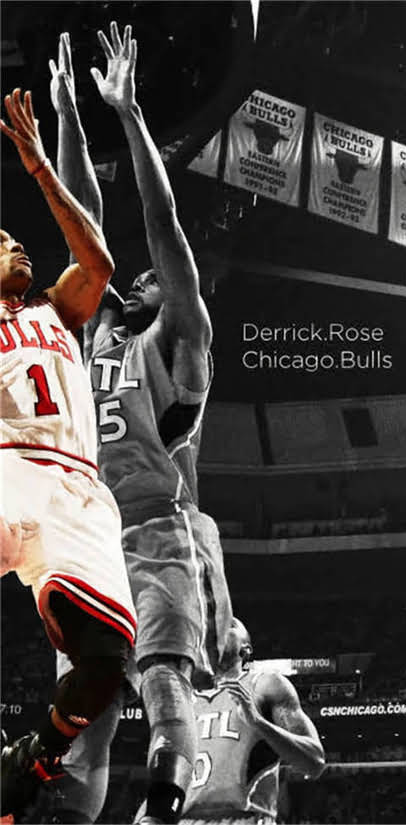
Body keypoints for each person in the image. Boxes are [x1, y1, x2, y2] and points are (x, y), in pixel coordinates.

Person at [45, 24, 233, 825]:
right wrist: (70, 116)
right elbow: (83, 226)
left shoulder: (181, 338)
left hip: (155, 532)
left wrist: (129, 115)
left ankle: (160, 812)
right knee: (83, 718)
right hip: (88, 541)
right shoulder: (103, 333)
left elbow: (164, 223)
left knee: (160, 683)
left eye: (159, 277)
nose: (146, 273)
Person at [0, 87, 137, 821]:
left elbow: (100, 262)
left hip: (79, 491)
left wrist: (41, 169)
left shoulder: (56, 309)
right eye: (0, 242)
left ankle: (32, 758)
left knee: (108, 660)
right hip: (7, 466)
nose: (16, 244)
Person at [179, 618, 325, 824]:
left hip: (245, 818)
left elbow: (314, 762)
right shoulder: (183, 698)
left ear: (245, 649)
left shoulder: (266, 685)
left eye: (229, 624)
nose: (218, 626)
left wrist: (258, 722)